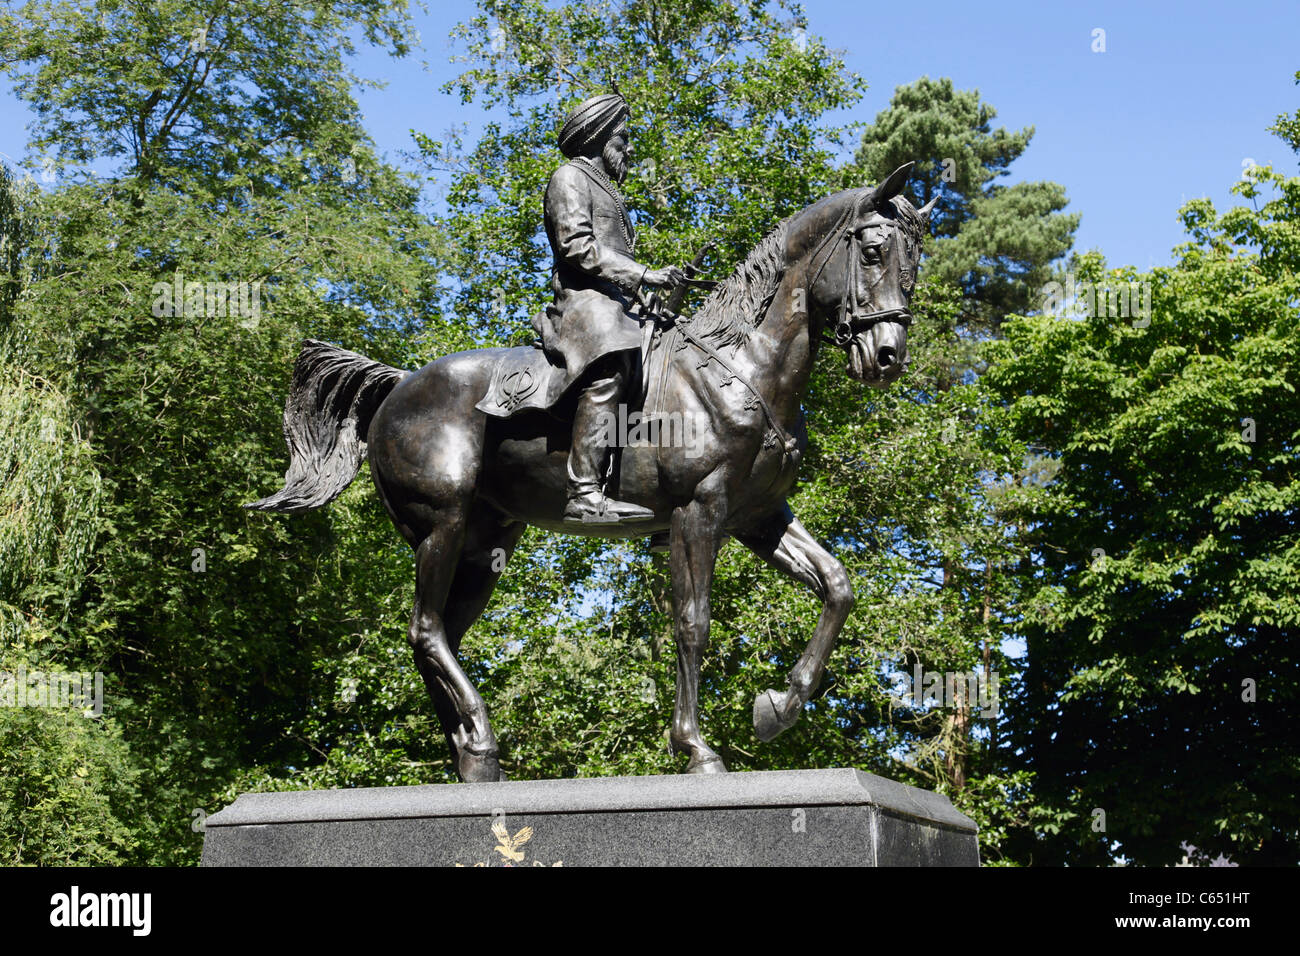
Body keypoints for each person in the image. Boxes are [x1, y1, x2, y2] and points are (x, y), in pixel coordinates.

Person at [536, 92, 684, 524]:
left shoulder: (607, 190)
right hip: (584, 302)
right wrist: (642, 274)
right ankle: (583, 491)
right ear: (600, 140)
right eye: (623, 139)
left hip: (617, 301)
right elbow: (576, 246)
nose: (630, 149)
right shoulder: (569, 177)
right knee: (612, 363)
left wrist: (647, 293)